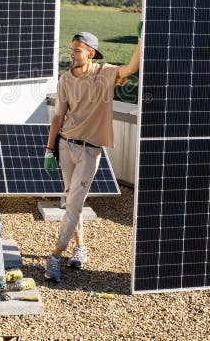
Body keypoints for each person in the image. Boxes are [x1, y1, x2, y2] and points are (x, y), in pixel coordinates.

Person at [43, 29, 142, 282]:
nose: (72, 53)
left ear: (91, 53)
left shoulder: (104, 74)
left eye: (77, 50)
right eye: (71, 48)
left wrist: (141, 39)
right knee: (70, 201)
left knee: (74, 202)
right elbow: (58, 117)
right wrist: (49, 149)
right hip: (66, 146)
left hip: (90, 151)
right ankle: (80, 247)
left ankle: (54, 255)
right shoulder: (65, 80)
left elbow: (130, 68)